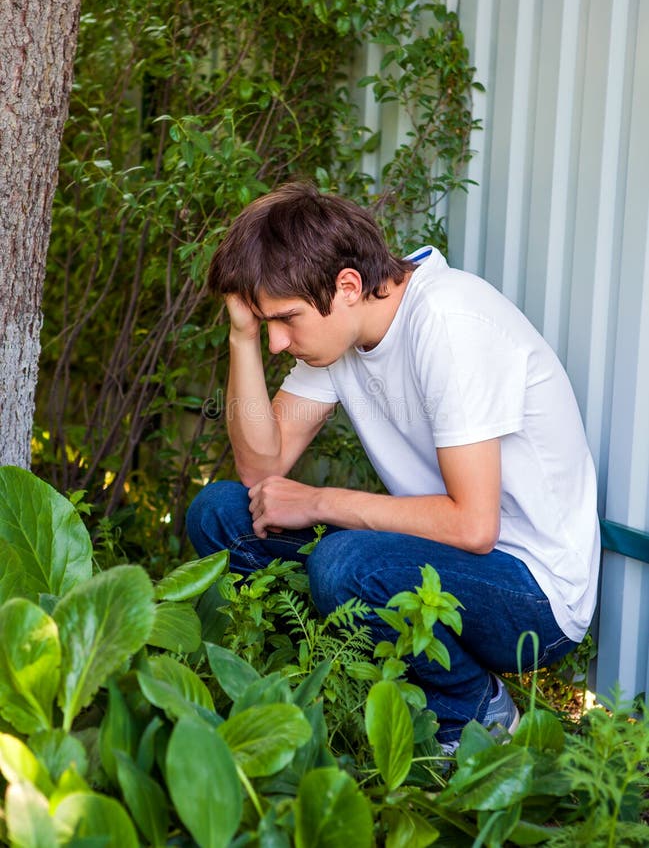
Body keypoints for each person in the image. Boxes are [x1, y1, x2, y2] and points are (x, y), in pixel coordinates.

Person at [186, 180, 600, 750]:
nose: (278, 342)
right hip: (438, 559)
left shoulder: (449, 323)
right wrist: (242, 336)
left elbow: (474, 527)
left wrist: (320, 502)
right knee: (221, 513)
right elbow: (262, 470)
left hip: (533, 591)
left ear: (348, 286)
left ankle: (475, 712)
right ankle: (338, 678)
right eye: (267, 323)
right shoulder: (340, 331)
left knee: (344, 564)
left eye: (286, 319)